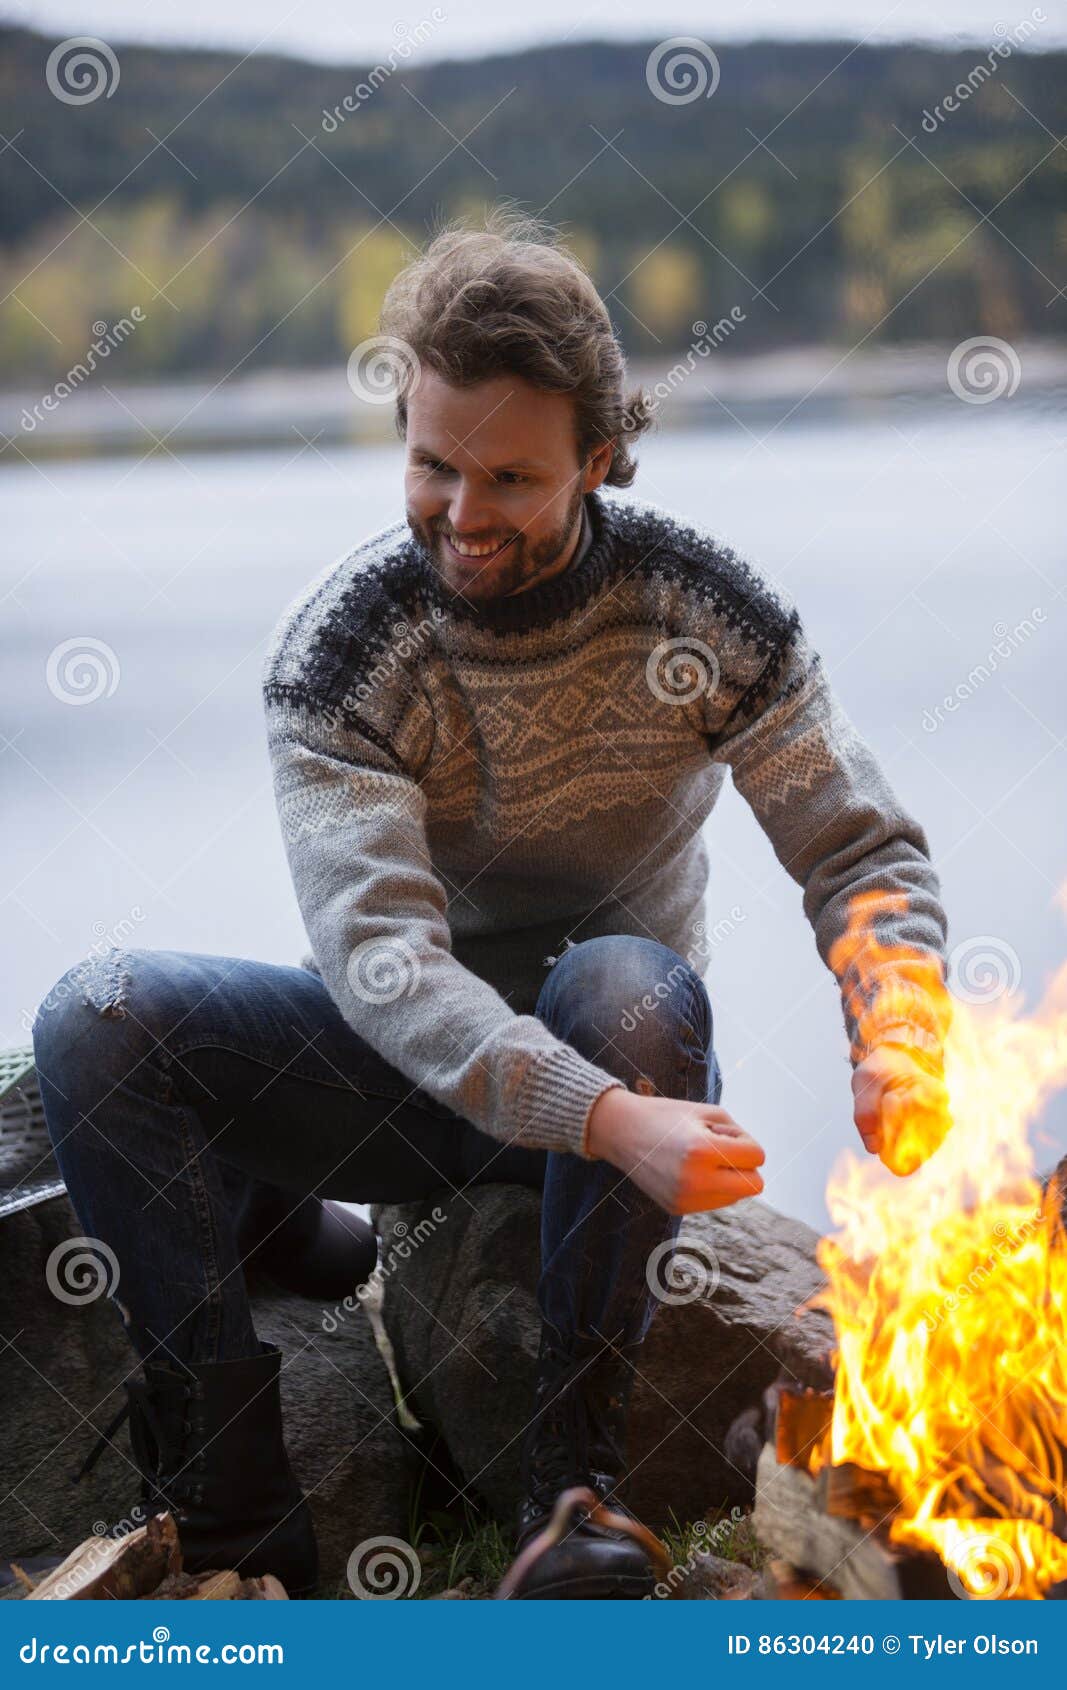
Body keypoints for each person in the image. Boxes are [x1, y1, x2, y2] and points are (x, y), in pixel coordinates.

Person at [32, 206, 950, 1601]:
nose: (461, 516)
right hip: (421, 1076)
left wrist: (901, 1022)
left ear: (598, 459)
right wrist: (607, 1113)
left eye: (510, 478)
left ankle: (568, 1504)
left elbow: (857, 845)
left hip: (618, 1063)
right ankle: (230, 1518)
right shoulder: (345, 651)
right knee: (92, 1018)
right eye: (431, 465)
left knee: (625, 984)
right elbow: (384, 963)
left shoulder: (704, 610)